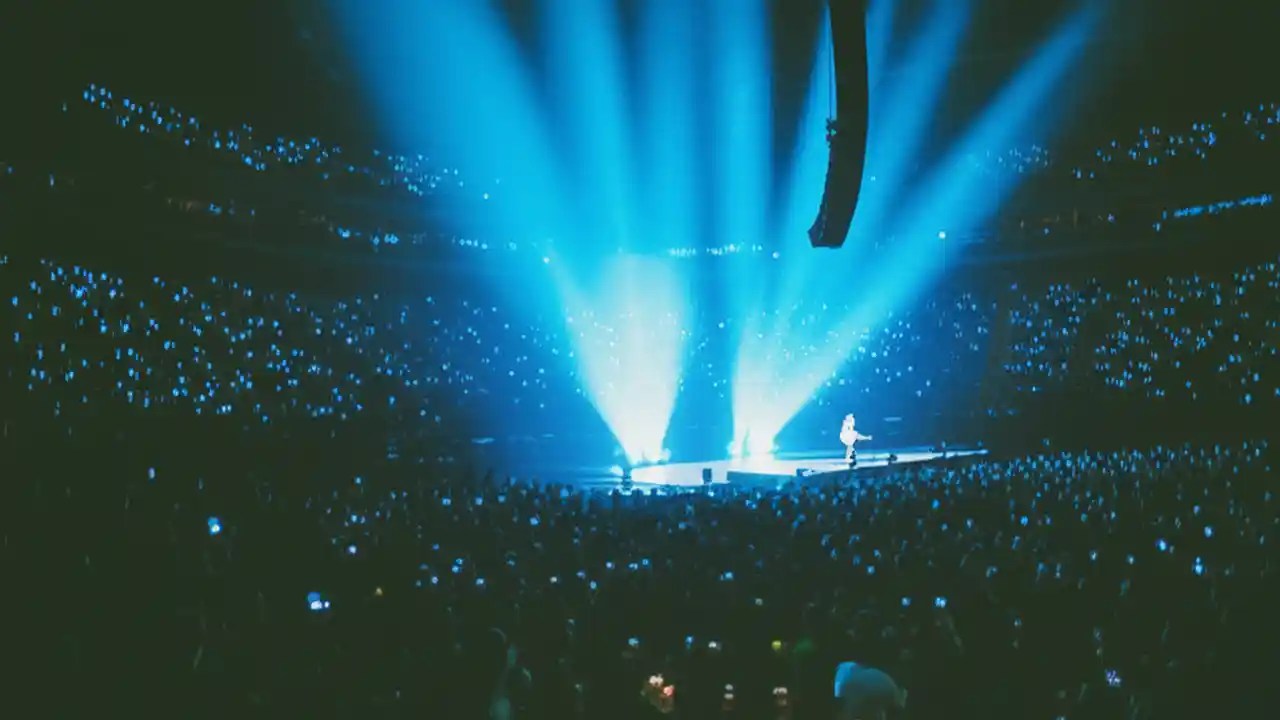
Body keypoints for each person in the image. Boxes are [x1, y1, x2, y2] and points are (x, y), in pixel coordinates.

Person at [832, 661, 907, 720]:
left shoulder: (848, 685)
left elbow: (848, 713)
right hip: (889, 688)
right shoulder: (861, 675)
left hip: (881, 690)